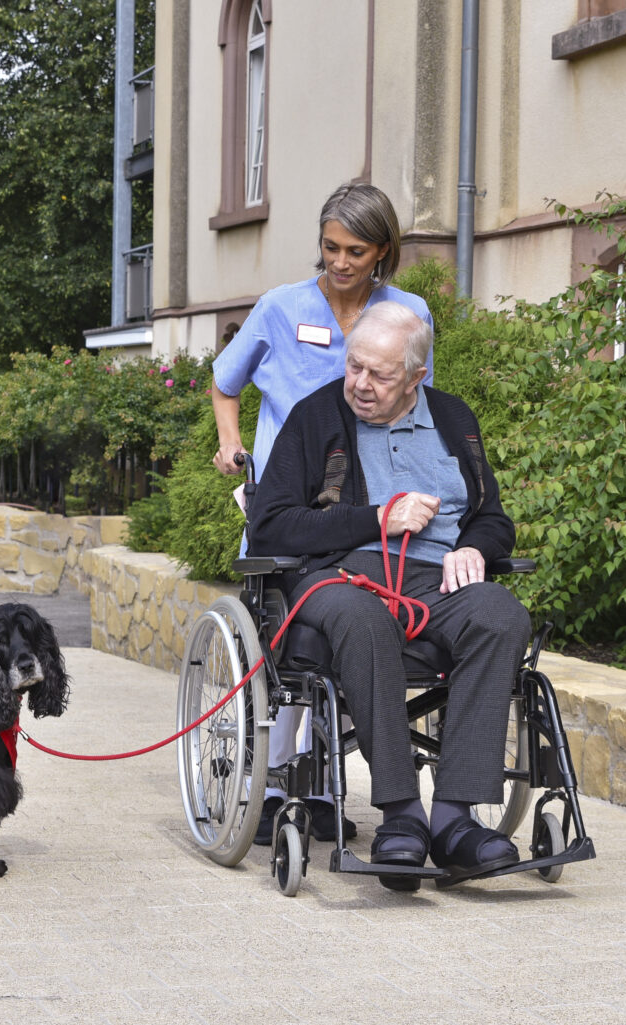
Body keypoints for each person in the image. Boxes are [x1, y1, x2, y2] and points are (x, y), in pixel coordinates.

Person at [247, 300, 529, 888]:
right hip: (340, 577)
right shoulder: (316, 416)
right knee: (362, 618)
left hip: (437, 579)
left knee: (501, 615)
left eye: (380, 375)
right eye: (354, 367)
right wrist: (377, 519)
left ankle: (454, 820)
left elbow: (492, 517)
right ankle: (401, 814)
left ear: (417, 378)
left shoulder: (454, 418)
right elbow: (271, 524)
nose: (360, 385)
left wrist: (474, 545)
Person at [210, 181, 434, 844]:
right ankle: (280, 779)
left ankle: (327, 777)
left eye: (355, 250)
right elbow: (226, 383)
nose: (339, 261)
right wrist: (231, 443)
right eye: (330, 247)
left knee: (359, 626)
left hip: (369, 507)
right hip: (291, 505)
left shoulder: (408, 312)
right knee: (296, 640)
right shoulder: (282, 308)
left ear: (383, 251)